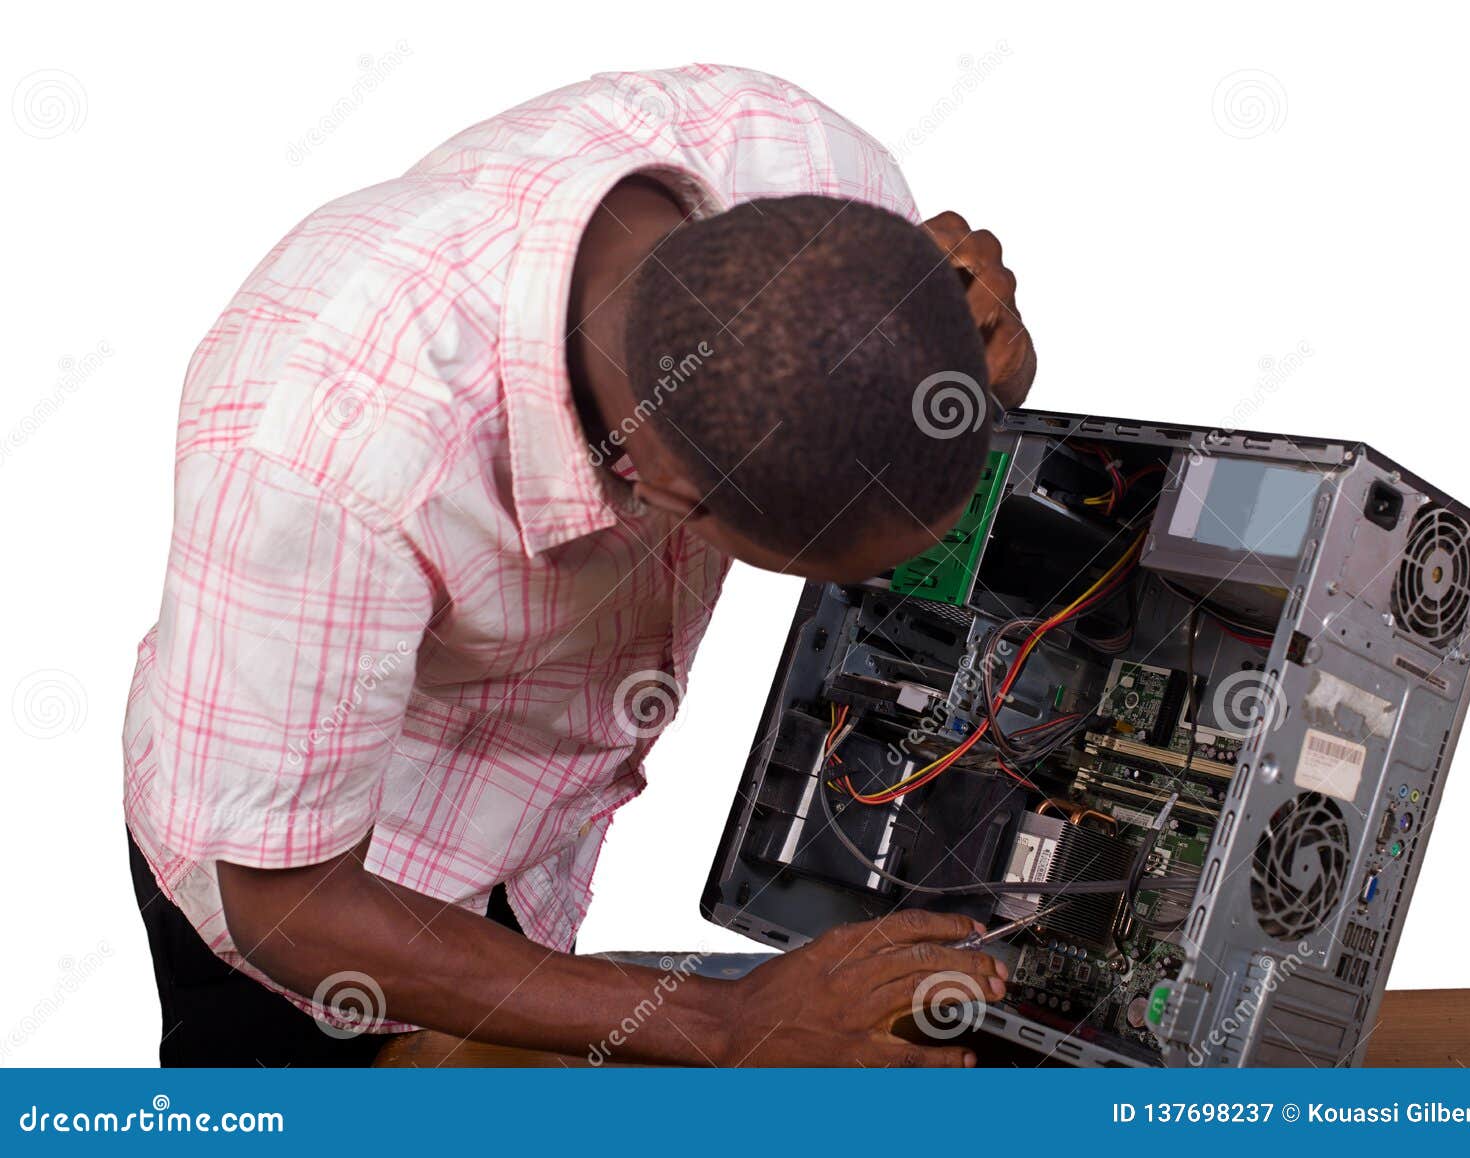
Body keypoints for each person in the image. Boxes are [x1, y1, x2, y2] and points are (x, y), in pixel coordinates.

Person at [123, 63, 1035, 1067]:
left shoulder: (808, 168)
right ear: (665, 504)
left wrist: (987, 350)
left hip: (524, 817)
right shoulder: (325, 458)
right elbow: (282, 901)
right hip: (334, 883)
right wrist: (721, 1024)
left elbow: (956, 386)